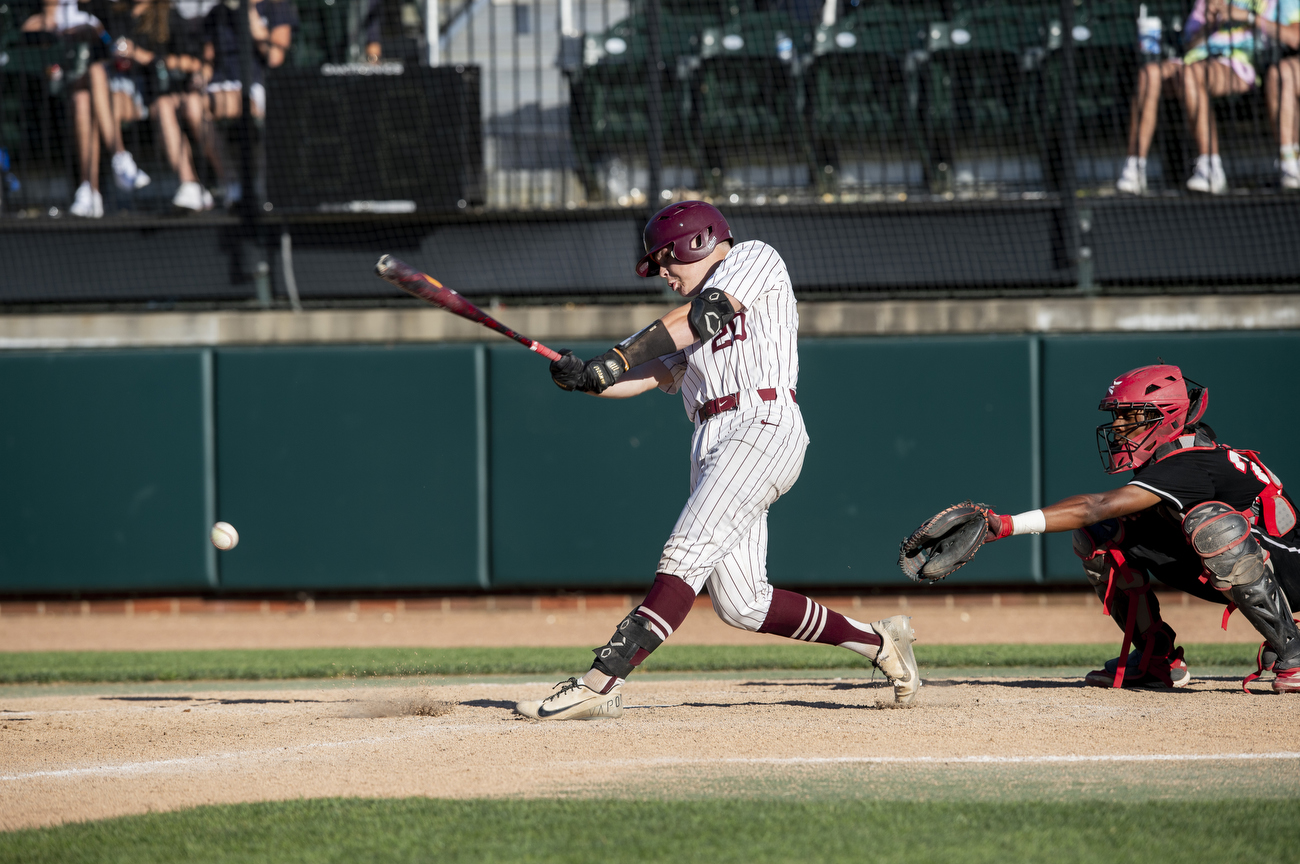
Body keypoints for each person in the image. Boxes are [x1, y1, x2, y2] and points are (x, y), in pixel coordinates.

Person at [513, 201, 921, 721]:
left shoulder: (753, 259)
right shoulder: (689, 324)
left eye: (666, 260)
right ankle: (880, 643)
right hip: (712, 438)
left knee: (685, 552)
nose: (662, 273)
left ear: (697, 242)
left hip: (762, 423)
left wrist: (617, 354)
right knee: (741, 602)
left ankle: (600, 683)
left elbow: (701, 317)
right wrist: (588, 377)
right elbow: (649, 372)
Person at [976, 364, 1299, 693]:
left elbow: (1094, 505)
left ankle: (1293, 651)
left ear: (1167, 416)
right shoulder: (1169, 458)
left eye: (1130, 415)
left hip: (1291, 569)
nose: (1117, 426)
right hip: (1258, 564)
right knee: (1100, 532)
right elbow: (1097, 517)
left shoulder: (1189, 462)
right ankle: (1155, 656)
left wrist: (1005, 525)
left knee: (1212, 525)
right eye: (1117, 415)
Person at [1117, 0, 1298, 196]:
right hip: (1193, 61)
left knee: (1191, 75)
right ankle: (1135, 167)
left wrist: (1248, 17)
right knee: (1148, 74)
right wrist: (1210, 24)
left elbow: (1294, 37)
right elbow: (1188, 44)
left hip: (1238, 63)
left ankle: (1210, 166)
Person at [202, 0, 297, 204]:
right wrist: (199, 78)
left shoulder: (277, 7)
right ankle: (230, 181)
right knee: (193, 106)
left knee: (257, 115)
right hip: (219, 87)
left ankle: (262, 189)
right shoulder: (217, 13)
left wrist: (250, 14)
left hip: (258, 85)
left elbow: (274, 58)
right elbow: (208, 60)